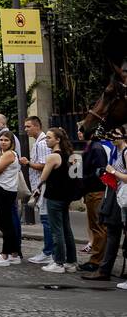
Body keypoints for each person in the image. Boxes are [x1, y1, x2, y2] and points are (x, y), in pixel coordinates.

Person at [84, 126, 127, 285]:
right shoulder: (116, 152)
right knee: (112, 232)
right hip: (116, 196)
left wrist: (113, 172)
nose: (113, 137)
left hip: (122, 198)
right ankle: (104, 269)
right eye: (111, 133)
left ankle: (105, 270)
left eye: (116, 134)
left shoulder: (125, 152)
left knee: (113, 233)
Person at [34, 127, 79, 274]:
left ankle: (58, 262)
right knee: (67, 229)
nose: (46, 140)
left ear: (57, 140)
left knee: (56, 230)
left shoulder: (53, 157)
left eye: (49, 137)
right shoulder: (72, 155)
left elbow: (43, 177)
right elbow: (76, 177)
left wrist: (36, 189)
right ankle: (71, 262)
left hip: (54, 196)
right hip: (66, 197)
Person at [0, 129, 24, 267]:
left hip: (5, 191)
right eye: (1, 140)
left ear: (12, 142)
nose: (3, 142)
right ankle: (14, 253)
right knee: (7, 223)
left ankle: (5, 255)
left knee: (5, 224)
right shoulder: (2, 154)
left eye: (6, 140)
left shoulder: (9, 154)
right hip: (3, 190)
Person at [20, 116, 53, 265]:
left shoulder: (42, 144)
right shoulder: (39, 143)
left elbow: (45, 165)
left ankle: (48, 252)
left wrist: (28, 163)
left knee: (46, 220)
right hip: (41, 186)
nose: (25, 130)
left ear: (36, 126)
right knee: (47, 219)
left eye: (28, 126)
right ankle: (49, 250)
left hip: (43, 186)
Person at [79, 126, 111, 272]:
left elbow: (100, 170)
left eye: (82, 130)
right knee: (94, 226)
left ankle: (97, 260)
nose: (79, 133)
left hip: (96, 191)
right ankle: (96, 259)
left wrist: (84, 179)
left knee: (98, 227)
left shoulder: (96, 148)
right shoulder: (90, 146)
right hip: (91, 191)